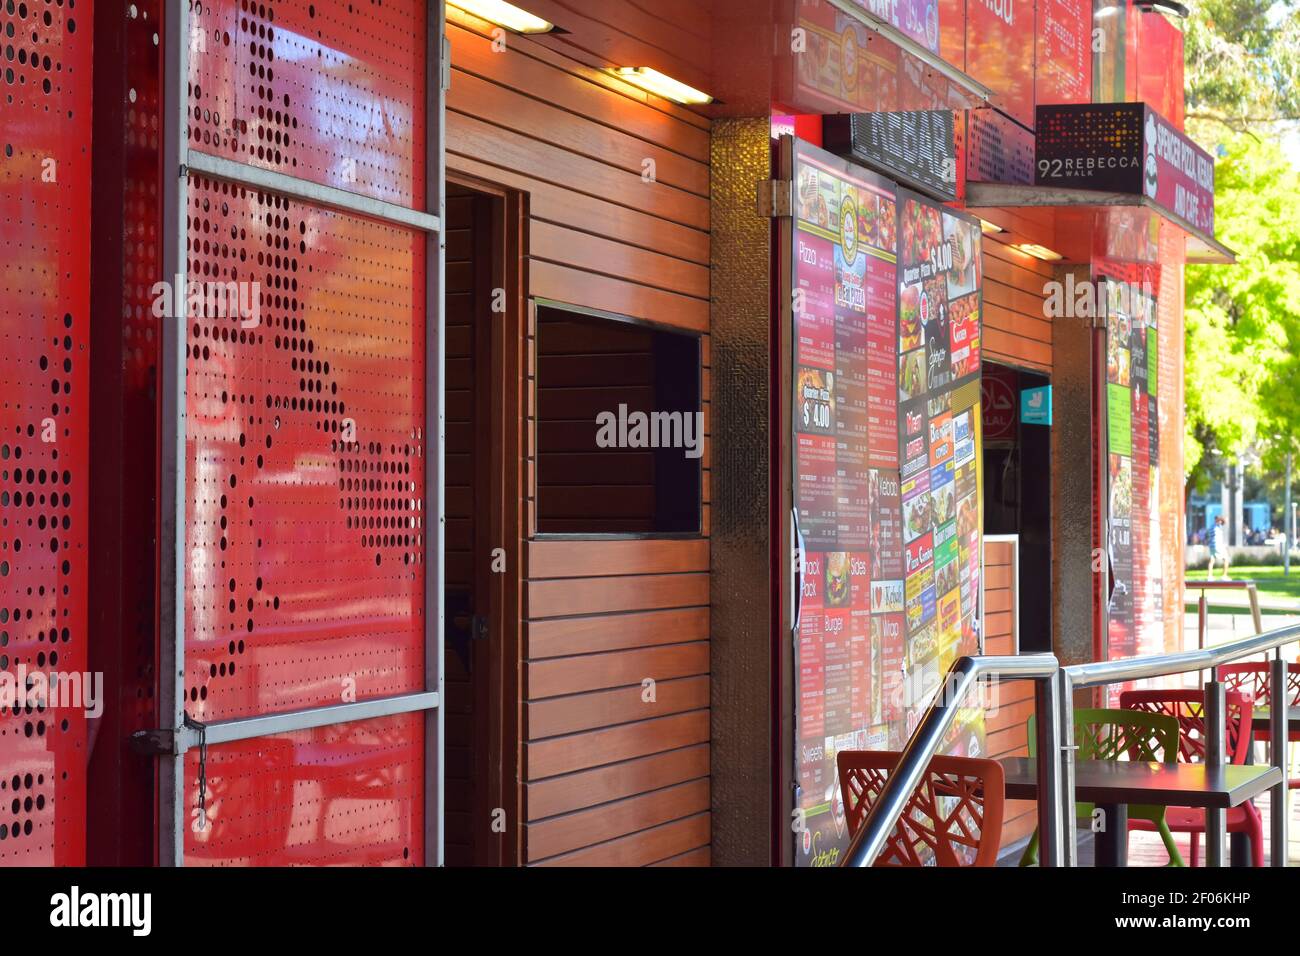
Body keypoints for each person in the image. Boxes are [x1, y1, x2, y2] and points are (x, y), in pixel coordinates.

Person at [1207, 514, 1230, 580]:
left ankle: (1209, 576)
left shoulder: (1211, 526)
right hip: (1218, 545)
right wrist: (1224, 519)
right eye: (1220, 521)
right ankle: (1224, 576)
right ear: (1218, 520)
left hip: (1212, 546)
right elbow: (1224, 522)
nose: (1221, 522)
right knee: (1226, 559)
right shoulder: (1217, 526)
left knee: (1212, 561)